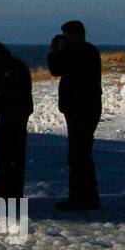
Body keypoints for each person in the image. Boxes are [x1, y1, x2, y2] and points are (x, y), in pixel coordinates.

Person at [47, 20, 102, 210]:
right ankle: (88, 197)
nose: (66, 39)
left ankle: (79, 198)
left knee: (78, 155)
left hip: (79, 107)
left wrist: (55, 51)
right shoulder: (91, 50)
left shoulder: (78, 51)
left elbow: (55, 69)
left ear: (76, 35)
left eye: (68, 36)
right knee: (82, 153)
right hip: (88, 106)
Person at [0, 41, 33, 200]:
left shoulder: (15, 67)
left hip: (16, 114)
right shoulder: (3, 67)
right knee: (3, 155)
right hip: (6, 113)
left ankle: (13, 194)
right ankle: (2, 192)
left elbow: (16, 92)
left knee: (13, 155)